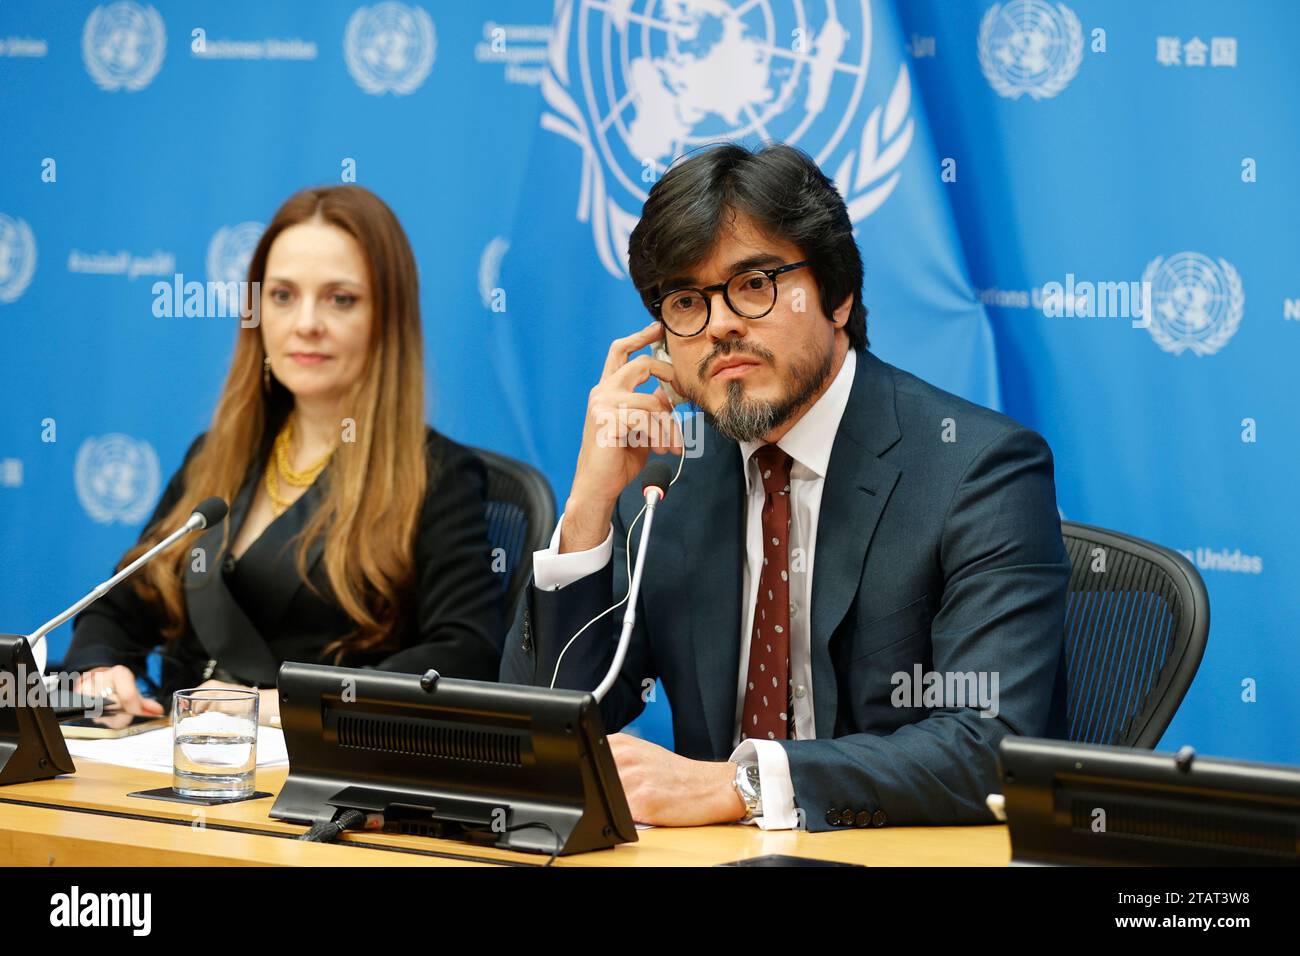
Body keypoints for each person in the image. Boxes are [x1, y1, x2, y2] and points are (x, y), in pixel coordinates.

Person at [501, 143, 1069, 831]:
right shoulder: (668, 478)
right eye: (687, 300)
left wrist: (747, 783)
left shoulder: (977, 468)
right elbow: (546, 734)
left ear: (836, 296)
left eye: (754, 284)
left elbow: (992, 743)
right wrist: (589, 504)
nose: (720, 324)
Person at [64, 185, 503, 725]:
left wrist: (289, 706)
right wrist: (100, 669)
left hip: (324, 786)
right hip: (175, 765)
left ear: (386, 318)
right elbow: (119, 606)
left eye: (341, 299)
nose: (306, 323)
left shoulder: (438, 476)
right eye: (282, 296)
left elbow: (465, 654)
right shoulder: (215, 455)